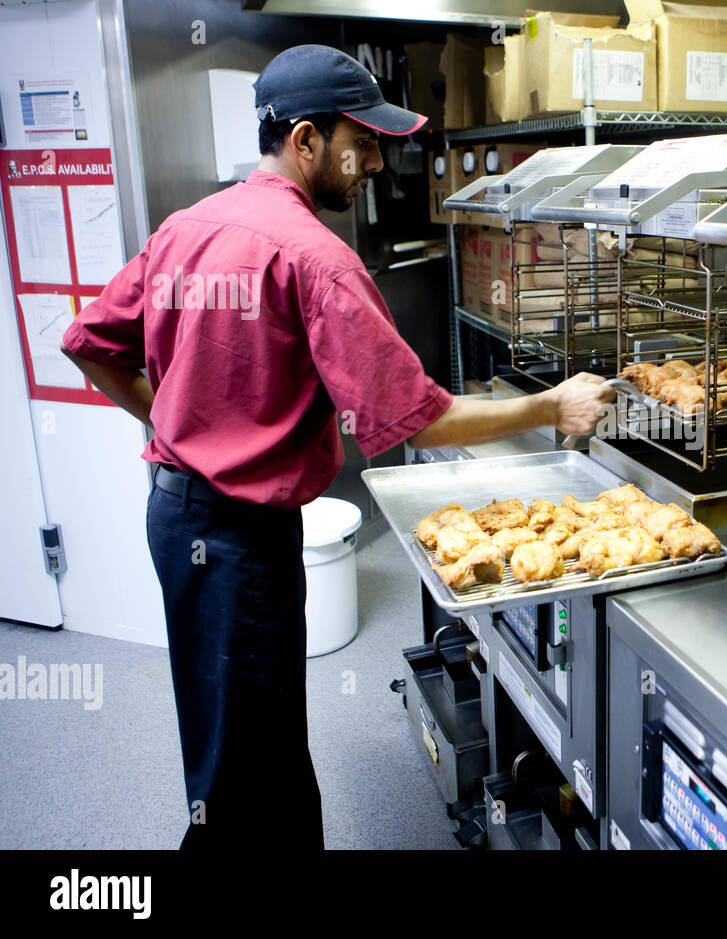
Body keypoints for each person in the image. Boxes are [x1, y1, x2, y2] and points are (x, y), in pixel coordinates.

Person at [59, 44, 612, 850]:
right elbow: (415, 418)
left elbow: (87, 343)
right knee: (248, 768)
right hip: (239, 539)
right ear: (307, 139)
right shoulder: (316, 257)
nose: (376, 164)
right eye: (364, 143)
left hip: (178, 521)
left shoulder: (186, 229)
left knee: (239, 738)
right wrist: (553, 405)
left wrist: (175, 425)